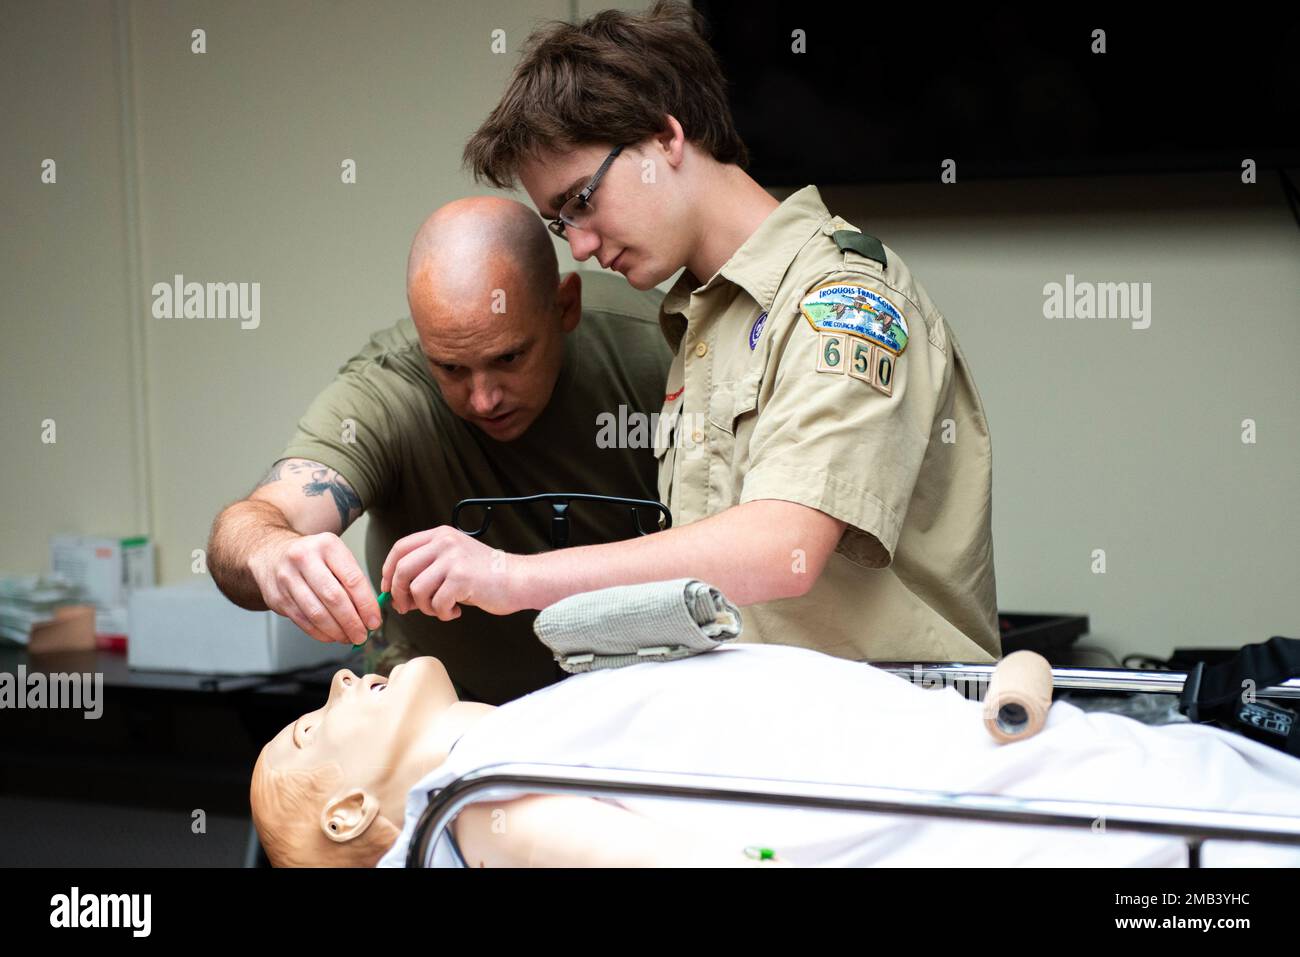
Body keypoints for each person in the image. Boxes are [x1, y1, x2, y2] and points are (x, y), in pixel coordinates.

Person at [375, 2, 1000, 663]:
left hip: (883, 740)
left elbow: (780, 550)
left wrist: (511, 576)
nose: (580, 246)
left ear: (666, 138)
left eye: (581, 200)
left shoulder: (841, 299)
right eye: (561, 224)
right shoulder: (704, 324)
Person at [249, 643, 1300, 867]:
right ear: (349, 815)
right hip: (1035, 820)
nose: (338, 682)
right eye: (309, 730)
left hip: (1023, 772)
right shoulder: (482, 810)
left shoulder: (510, 742)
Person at [208, 197, 672, 703]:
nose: (483, 398)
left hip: (649, 703)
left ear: (565, 307)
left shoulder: (663, 353)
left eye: (509, 357)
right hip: (441, 716)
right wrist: (275, 555)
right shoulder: (388, 392)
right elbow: (251, 525)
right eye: (451, 368)